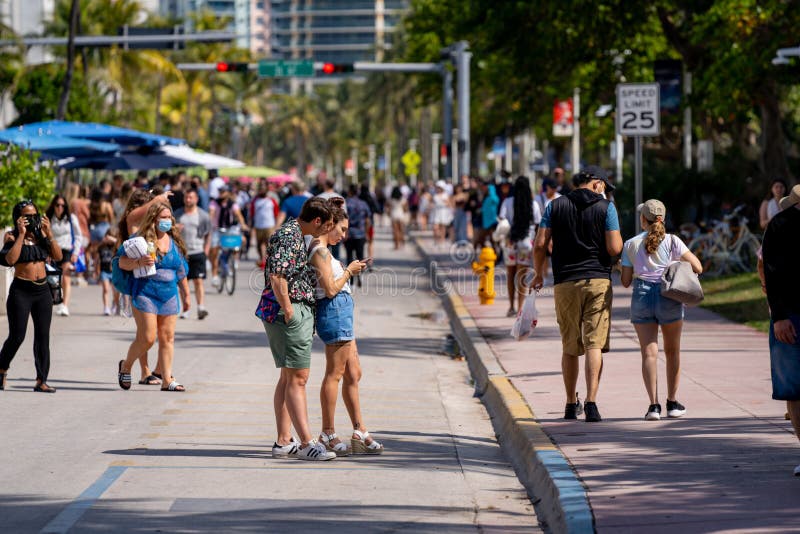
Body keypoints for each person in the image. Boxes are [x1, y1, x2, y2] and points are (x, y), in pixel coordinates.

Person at [533, 165, 623, 423]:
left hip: (565, 282)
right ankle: (592, 403)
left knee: (570, 345)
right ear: (597, 183)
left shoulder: (554, 206)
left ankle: (571, 404)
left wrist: (539, 274)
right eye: (605, 186)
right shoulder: (607, 208)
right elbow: (614, 247)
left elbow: (540, 244)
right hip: (597, 281)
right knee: (594, 343)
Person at [262, 197, 337, 461]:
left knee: (288, 377)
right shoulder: (289, 236)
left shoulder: (298, 234)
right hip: (290, 309)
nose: (327, 231)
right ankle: (306, 443)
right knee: (298, 378)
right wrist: (290, 311)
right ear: (316, 221)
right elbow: (277, 275)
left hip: (295, 308)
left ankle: (284, 440)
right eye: (325, 225)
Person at [308, 201, 384, 455]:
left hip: (342, 313)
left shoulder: (325, 250)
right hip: (334, 313)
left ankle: (359, 430)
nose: (344, 235)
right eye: (341, 229)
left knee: (354, 373)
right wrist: (349, 271)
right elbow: (329, 289)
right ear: (328, 225)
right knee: (335, 374)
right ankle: (327, 432)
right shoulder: (318, 251)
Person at [620, 200, 703, 421]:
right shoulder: (674, 241)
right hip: (670, 296)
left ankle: (653, 406)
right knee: (673, 351)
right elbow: (698, 266)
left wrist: (625, 267)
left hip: (642, 295)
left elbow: (626, 281)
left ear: (642, 219)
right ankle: (672, 403)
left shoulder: (630, 244)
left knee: (649, 352)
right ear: (662, 219)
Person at [116, 202, 190, 392]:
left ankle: (167, 380)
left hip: (169, 296)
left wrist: (187, 295)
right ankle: (126, 365)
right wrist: (138, 262)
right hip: (145, 293)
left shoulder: (174, 240)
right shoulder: (139, 240)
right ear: (153, 219)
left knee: (168, 338)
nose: (166, 221)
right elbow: (121, 263)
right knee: (148, 338)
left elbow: (181, 271)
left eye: (168, 217)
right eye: (162, 217)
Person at [0, 200, 63, 392]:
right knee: (17, 336)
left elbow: (58, 256)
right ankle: (2, 368)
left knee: (43, 336)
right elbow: (10, 260)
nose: (31, 219)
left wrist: (49, 233)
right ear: (19, 218)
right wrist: (20, 235)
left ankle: (41, 380)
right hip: (21, 291)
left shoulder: (40, 236)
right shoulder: (11, 236)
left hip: (42, 291)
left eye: (34, 215)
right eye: (27, 216)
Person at [762, 184, 800, 476]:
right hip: (790, 315)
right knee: (794, 388)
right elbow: (771, 273)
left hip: (787, 316)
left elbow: (766, 272)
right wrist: (779, 317)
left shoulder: (778, 223)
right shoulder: (780, 226)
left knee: (795, 389)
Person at [499, 176, 541, 317]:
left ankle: (511, 307)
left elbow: (502, 218)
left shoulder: (507, 202)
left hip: (510, 242)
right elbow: (537, 223)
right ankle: (520, 308)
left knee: (510, 275)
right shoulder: (533, 204)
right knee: (521, 277)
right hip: (526, 243)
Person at [176, 188, 211, 320]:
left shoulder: (203, 215)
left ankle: (201, 307)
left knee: (198, 281)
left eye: (191, 197)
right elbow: (170, 232)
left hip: (198, 252)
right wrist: (175, 229)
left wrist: (206, 250)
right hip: (182, 253)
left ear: (196, 199)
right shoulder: (178, 214)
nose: (188, 199)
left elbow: (208, 234)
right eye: (186, 197)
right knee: (183, 283)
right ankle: (186, 309)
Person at [46, 195, 82, 317]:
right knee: (52, 278)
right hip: (53, 250)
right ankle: (57, 300)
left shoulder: (71, 219)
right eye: (57, 205)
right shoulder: (49, 218)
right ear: (53, 206)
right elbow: (44, 236)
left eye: (63, 205)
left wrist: (76, 253)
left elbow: (78, 236)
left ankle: (65, 305)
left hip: (67, 251)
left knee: (66, 277)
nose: (60, 208)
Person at [209, 186, 248, 287]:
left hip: (229, 229)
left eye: (223, 192)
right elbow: (211, 214)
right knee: (214, 250)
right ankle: (214, 276)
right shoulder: (214, 203)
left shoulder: (233, 204)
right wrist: (209, 223)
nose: (221, 193)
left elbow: (239, 215)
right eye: (220, 191)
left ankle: (234, 259)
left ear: (228, 193)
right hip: (217, 229)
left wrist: (243, 224)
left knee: (240, 241)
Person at [344, 184, 371, 287]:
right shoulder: (363, 204)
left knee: (349, 257)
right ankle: (360, 277)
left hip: (349, 234)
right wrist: (367, 232)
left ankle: (350, 280)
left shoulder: (346, 203)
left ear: (350, 191)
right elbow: (368, 220)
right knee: (360, 257)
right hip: (360, 234)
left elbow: (344, 220)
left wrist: (344, 232)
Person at [88, 187, 116, 280]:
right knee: (105, 250)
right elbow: (111, 217)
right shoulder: (106, 205)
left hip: (94, 228)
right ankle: (107, 270)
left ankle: (96, 272)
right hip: (104, 227)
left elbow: (89, 218)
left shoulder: (91, 205)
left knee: (95, 251)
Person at [98, 227, 120, 316]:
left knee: (116, 292)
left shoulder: (116, 246)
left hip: (114, 272)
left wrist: (114, 240)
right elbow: (97, 259)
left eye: (112, 236)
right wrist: (96, 270)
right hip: (104, 271)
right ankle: (106, 307)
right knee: (106, 289)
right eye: (108, 236)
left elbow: (120, 245)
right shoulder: (102, 246)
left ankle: (115, 303)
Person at [431, 180, 453, 245]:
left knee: (443, 227)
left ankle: (442, 240)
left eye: (439, 187)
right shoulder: (434, 195)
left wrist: (444, 202)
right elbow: (432, 203)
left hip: (443, 212)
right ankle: (436, 239)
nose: (438, 189)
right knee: (435, 227)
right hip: (436, 212)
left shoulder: (445, 195)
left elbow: (449, 204)